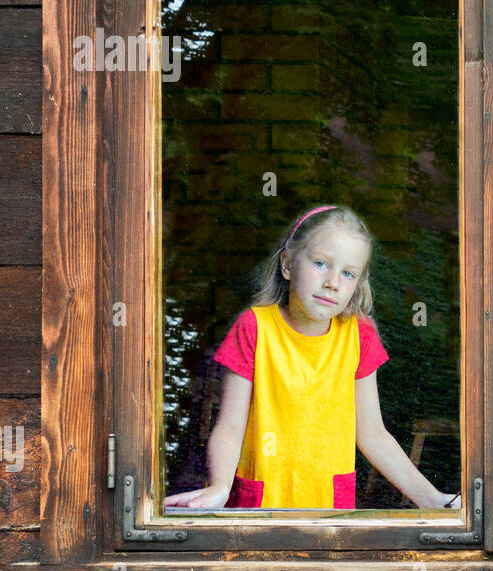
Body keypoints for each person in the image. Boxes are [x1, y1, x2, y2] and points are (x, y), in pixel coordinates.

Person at [166, 204, 461, 511]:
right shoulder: (254, 328)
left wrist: (433, 500)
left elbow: (372, 433)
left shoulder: (359, 335)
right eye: (320, 263)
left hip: (330, 511)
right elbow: (230, 426)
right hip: (258, 507)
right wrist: (220, 487)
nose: (333, 282)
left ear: (357, 285)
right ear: (287, 264)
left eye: (348, 273)